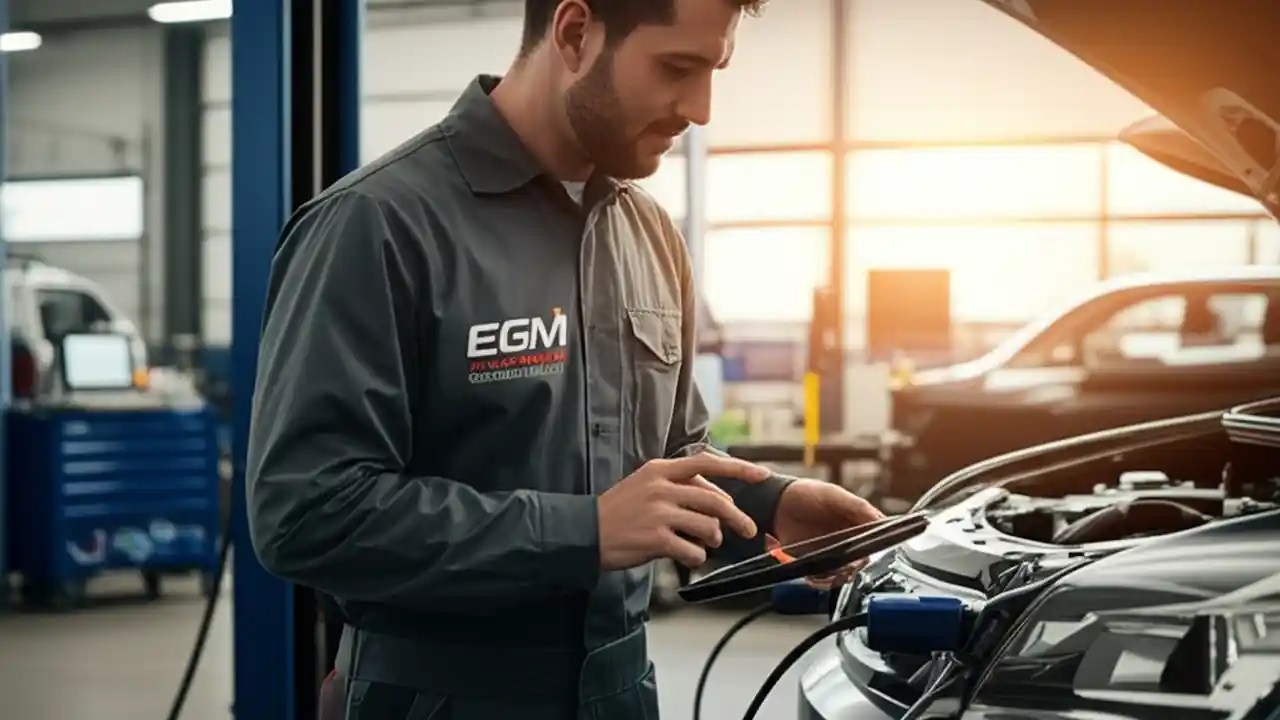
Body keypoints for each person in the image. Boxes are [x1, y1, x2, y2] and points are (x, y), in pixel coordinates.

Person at [245, 0, 884, 717]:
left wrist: (773, 507)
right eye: (676, 67)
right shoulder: (378, 226)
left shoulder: (648, 236)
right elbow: (304, 513)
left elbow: (668, 463)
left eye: (714, 70)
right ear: (576, 33)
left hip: (621, 691)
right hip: (439, 696)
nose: (700, 109)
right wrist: (582, 532)